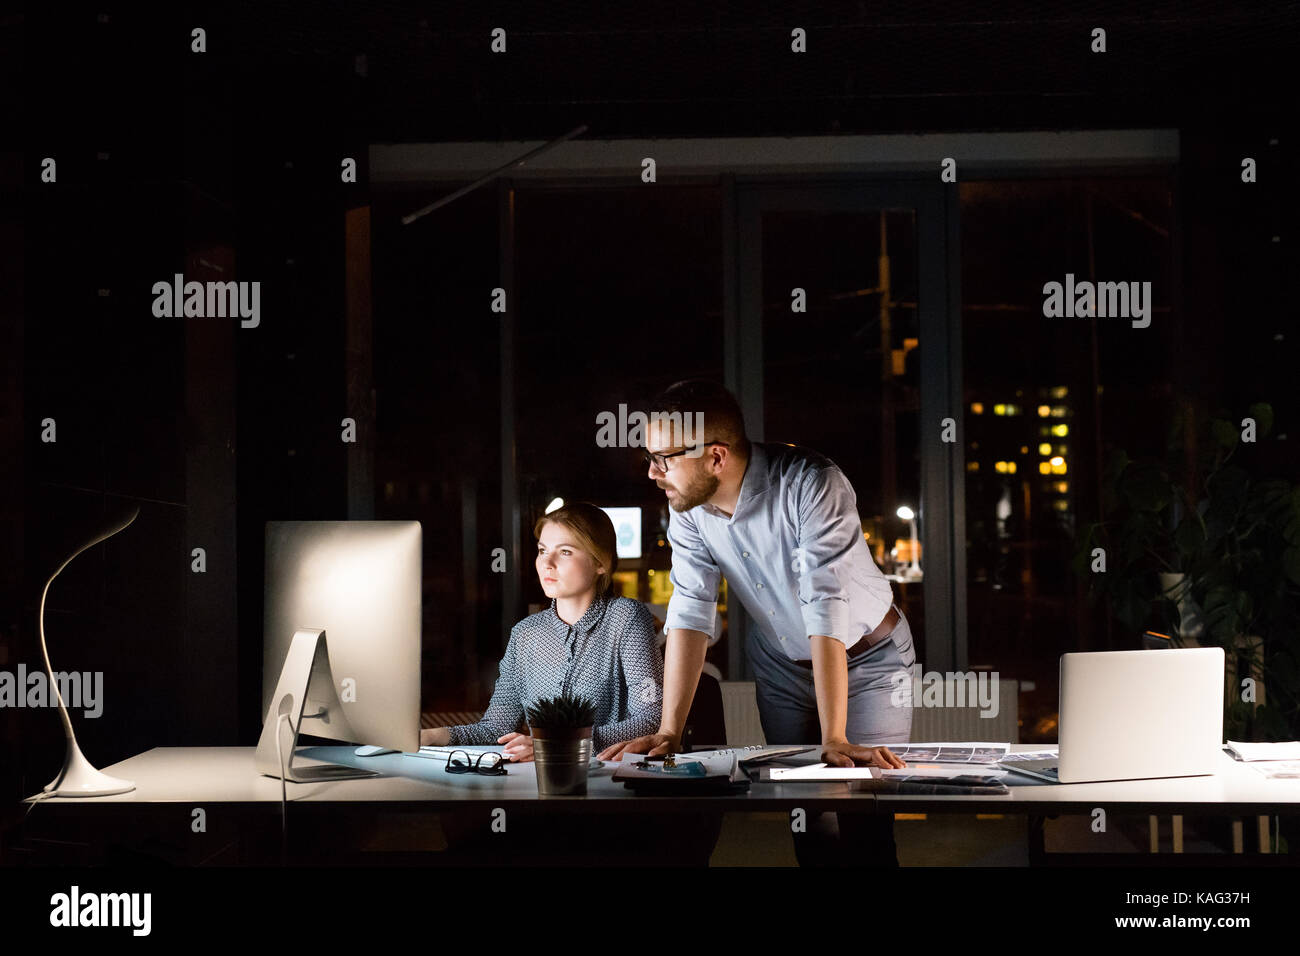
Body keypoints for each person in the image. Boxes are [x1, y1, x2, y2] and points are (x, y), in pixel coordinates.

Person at [599, 379, 917, 866]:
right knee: (808, 817)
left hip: (869, 658)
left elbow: (826, 606)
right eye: (648, 456)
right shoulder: (686, 507)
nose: (652, 472)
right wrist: (667, 730)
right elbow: (689, 609)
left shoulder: (812, 483)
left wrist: (834, 737)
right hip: (780, 664)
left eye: (664, 458)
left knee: (863, 814)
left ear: (716, 457)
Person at [421, 501, 662, 760]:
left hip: (606, 781)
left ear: (600, 563)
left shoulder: (626, 617)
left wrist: (553, 745)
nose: (547, 562)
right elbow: (497, 728)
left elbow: (650, 718)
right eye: (542, 550)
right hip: (533, 783)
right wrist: (433, 737)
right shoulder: (525, 634)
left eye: (565, 552)